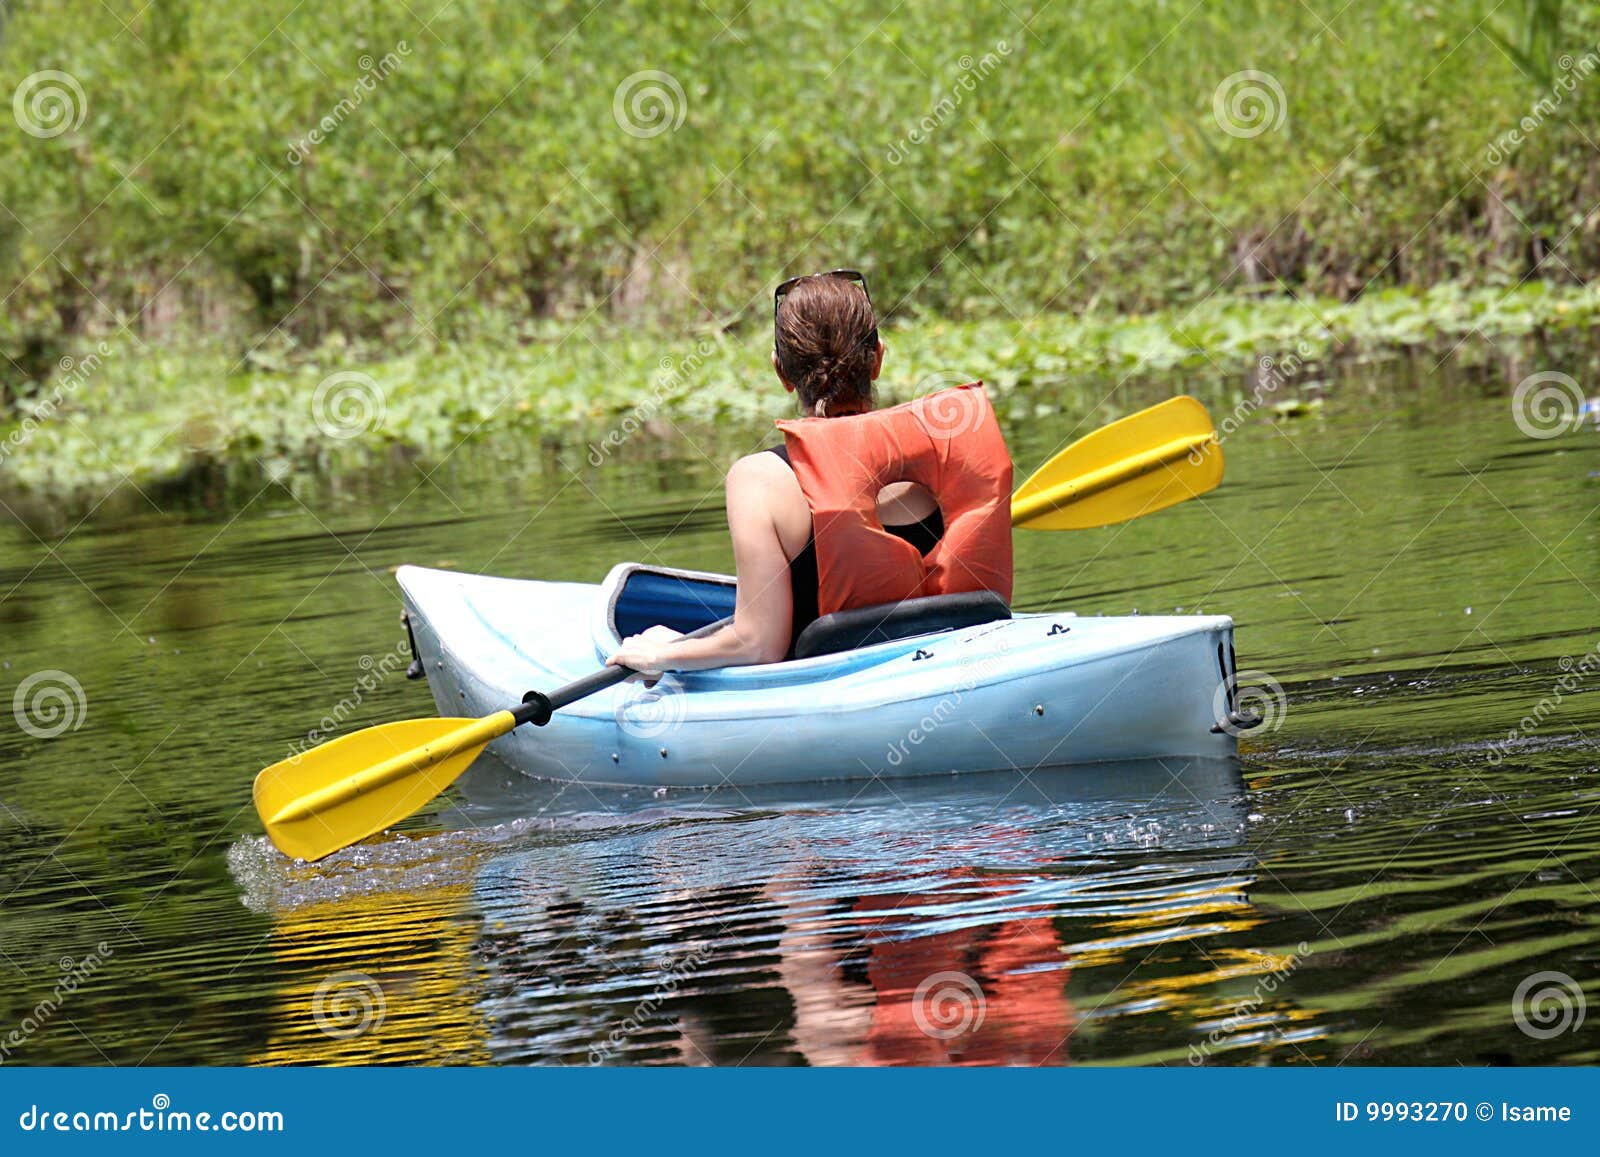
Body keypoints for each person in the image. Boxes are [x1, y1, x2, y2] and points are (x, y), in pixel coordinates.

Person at [608, 270, 1011, 677]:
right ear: (877, 360)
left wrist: (663, 654)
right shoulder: (944, 453)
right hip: (963, 670)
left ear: (782, 372)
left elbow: (758, 644)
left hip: (845, 691)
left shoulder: (761, 481)